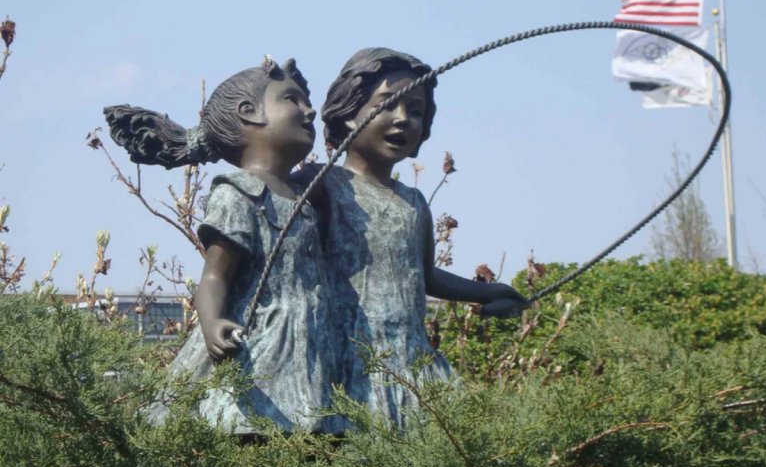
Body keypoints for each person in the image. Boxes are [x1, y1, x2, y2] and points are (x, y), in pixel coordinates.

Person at [105, 57, 343, 434]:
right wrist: (212, 323)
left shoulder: (306, 196)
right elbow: (216, 276)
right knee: (253, 430)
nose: (309, 110)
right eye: (292, 100)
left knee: (309, 435)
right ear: (249, 112)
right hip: (262, 341)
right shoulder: (240, 193)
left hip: (309, 342)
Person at [312, 47, 528, 426]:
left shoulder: (413, 203)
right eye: (387, 104)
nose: (402, 119)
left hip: (413, 363)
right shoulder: (321, 188)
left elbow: (424, 276)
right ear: (348, 112)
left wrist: (490, 292)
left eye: (415, 111)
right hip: (349, 363)